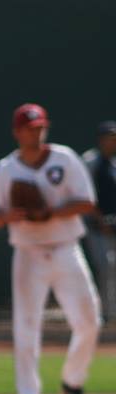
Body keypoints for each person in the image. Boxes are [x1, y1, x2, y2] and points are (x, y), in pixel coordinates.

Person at [0, 104, 102, 394]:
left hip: (66, 248)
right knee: (26, 326)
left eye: (40, 127)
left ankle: (73, 381)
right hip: (28, 253)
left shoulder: (65, 158)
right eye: (30, 128)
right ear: (17, 132)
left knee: (90, 322)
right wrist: (8, 216)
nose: (36, 133)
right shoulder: (6, 169)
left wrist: (51, 212)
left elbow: (87, 202)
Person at [81, 120, 116, 320]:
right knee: (103, 266)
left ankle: (110, 311)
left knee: (112, 268)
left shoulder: (113, 163)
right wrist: (100, 220)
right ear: (100, 139)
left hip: (113, 224)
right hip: (95, 225)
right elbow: (85, 195)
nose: (112, 142)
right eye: (109, 138)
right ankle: (102, 312)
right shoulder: (90, 161)